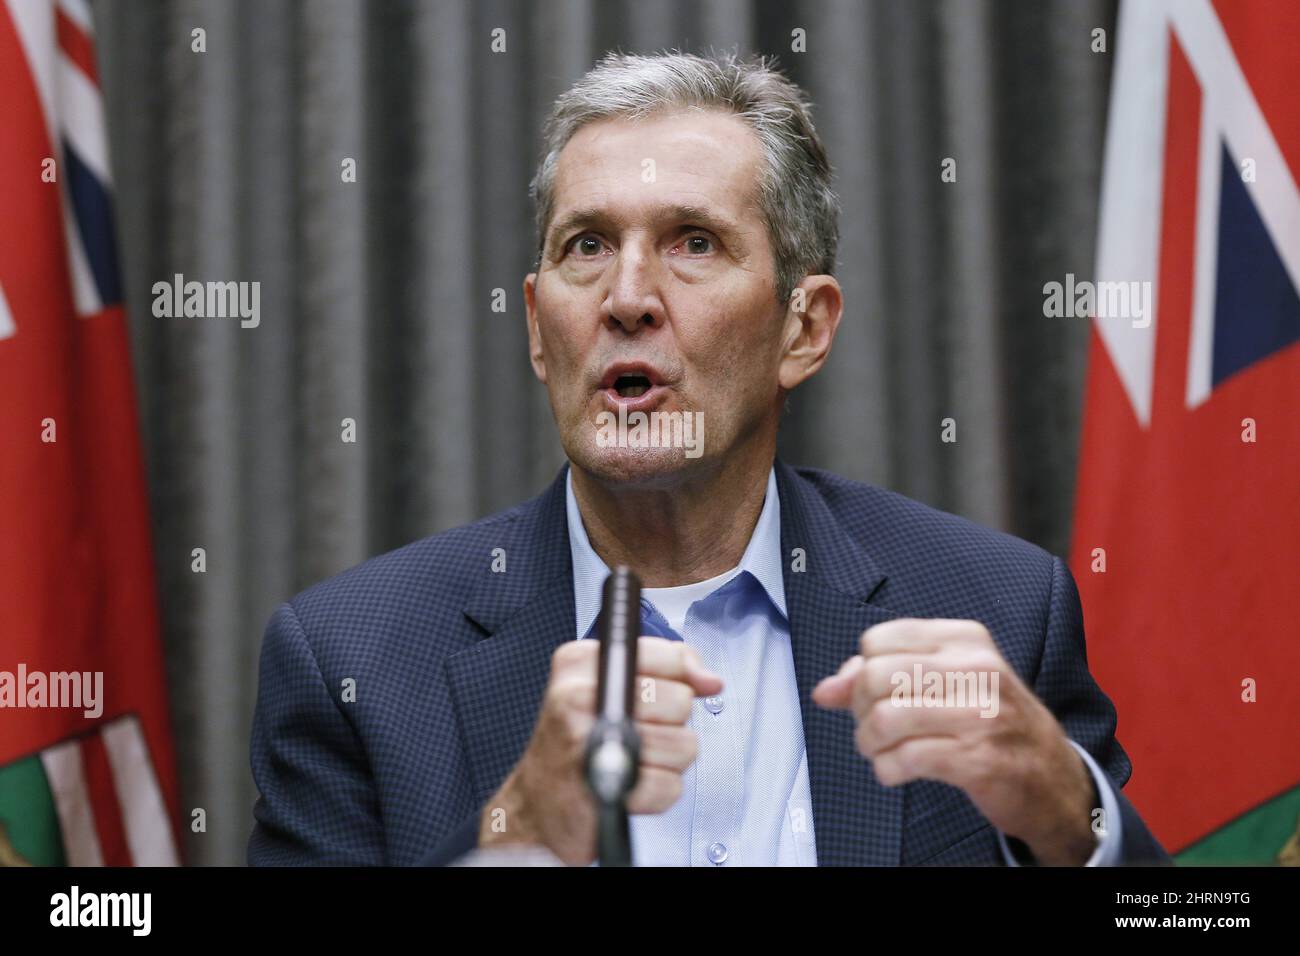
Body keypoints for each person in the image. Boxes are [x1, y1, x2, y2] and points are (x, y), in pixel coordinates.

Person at [247, 50, 1168, 867]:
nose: (629, 297)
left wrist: (1070, 818)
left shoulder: (999, 608)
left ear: (802, 330)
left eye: (694, 242)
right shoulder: (351, 665)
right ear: (537, 327)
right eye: (588, 246)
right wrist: (515, 837)